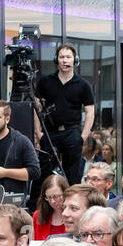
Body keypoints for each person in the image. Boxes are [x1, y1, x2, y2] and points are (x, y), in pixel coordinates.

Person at [35, 44, 95, 185]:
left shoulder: (83, 84)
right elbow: (36, 107)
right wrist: (38, 132)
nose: (65, 60)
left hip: (72, 133)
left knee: (72, 177)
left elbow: (90, 112)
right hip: (50, 133)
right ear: (57, 59)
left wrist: (82, 137)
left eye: (68, 57)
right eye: (61, 57)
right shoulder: (45, 81)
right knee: (45, 175)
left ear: (75, 60)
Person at [33, 174, 69, 241]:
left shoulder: (73, 215)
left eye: (56, 196)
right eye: (49, 197)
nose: (52, 201)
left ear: (65, 193)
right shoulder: (38, 215)